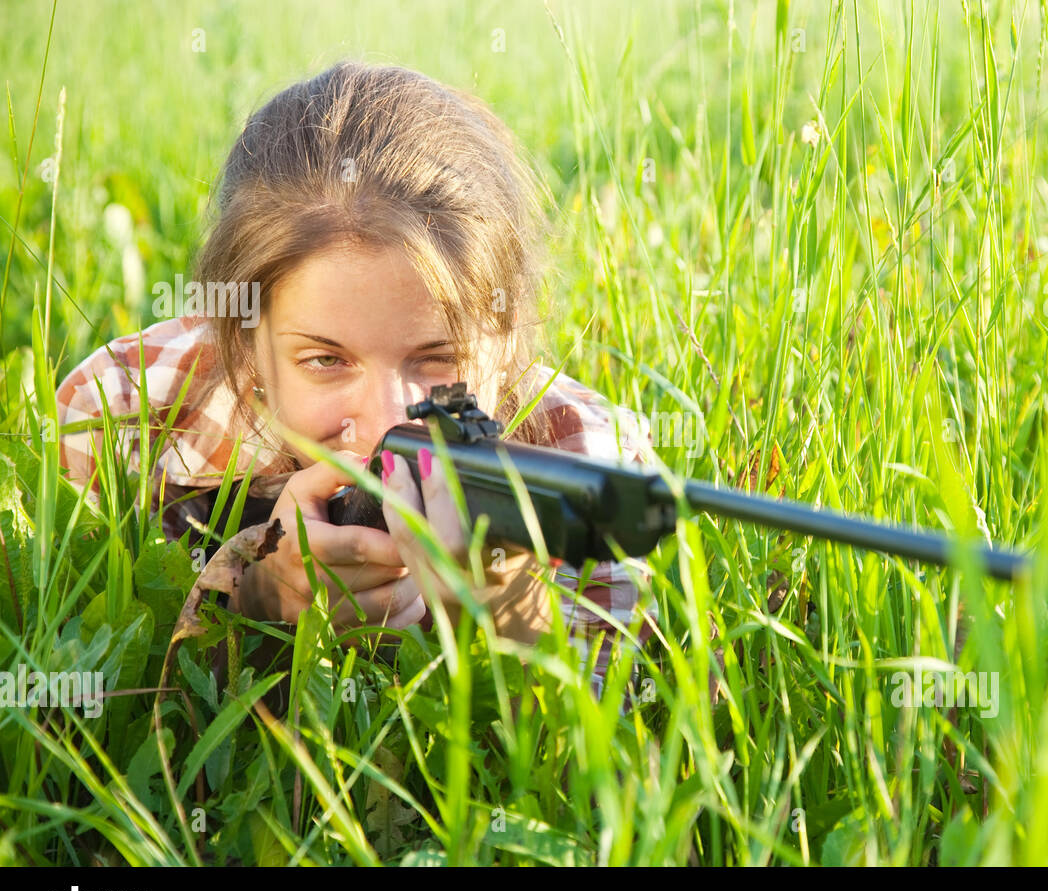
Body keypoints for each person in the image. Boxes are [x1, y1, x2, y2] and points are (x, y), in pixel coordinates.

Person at [55, 60, 659, 703]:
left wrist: (500, 608)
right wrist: (257, 599)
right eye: (324, 360)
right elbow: (105, 677)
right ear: (246, 342)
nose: (380, 421)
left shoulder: (589, 463)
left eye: (438, 357)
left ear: (506, 343)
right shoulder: (126, 411)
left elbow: (595, 735)